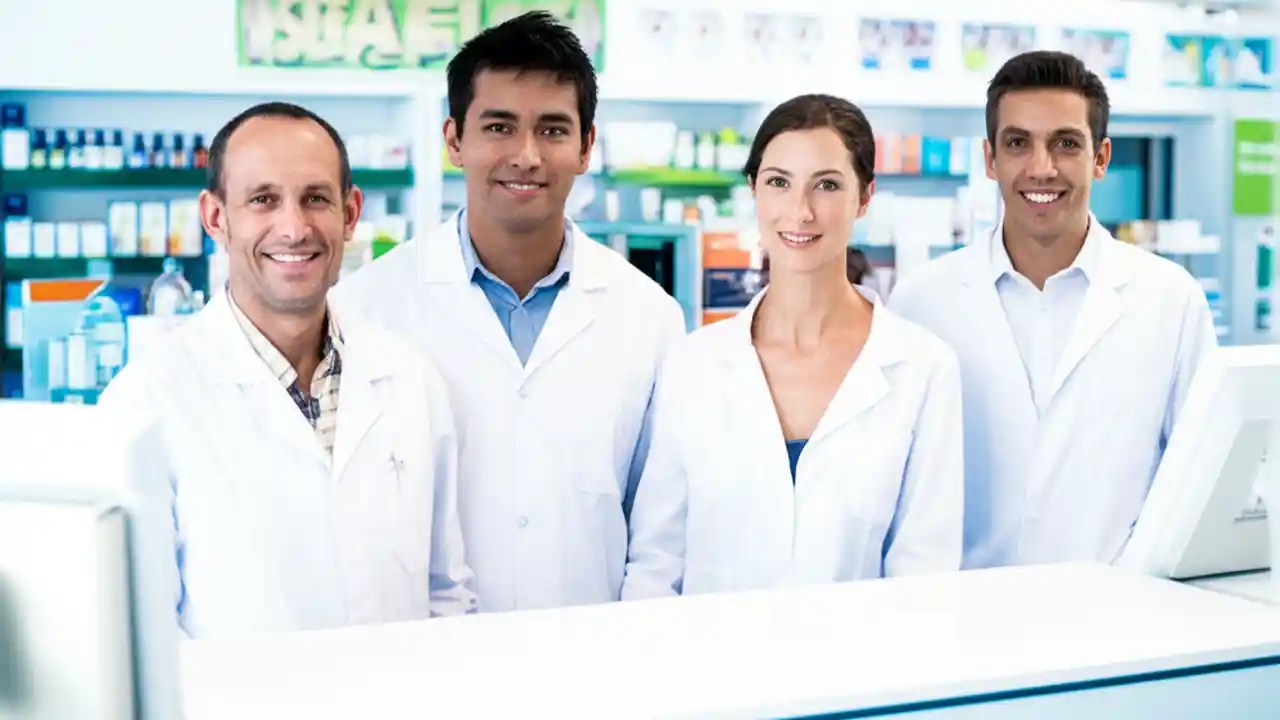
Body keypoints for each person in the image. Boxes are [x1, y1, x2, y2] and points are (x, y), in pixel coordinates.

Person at [329, 12, 686, 612]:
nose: (526, 155)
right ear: (454, 141)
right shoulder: (367, 307)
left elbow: (660, 530)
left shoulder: (649, 315)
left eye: (552, 129)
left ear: (585, 146)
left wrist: (636, 648)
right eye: (498, 126)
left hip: (596, 661)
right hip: (427, 661)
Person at [98, 102, 477, 639]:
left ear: (349, 214)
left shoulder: (410, 378)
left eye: (315, 198)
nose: (294, 228)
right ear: (215, 218)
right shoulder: (146, 401)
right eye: (263, 200)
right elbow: (143, 632)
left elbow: (446, 592)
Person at [621, 94, 964, 599]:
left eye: (826, 185)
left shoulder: (924, 368)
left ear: (864, 198)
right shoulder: (693, 364)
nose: (800, 212)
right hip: (708, 668)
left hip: (865, 671)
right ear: (754, 192)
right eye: (778, 182)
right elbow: (656, 563)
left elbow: (925, 578)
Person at [888, 51, 1218, 570]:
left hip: (1124, 619)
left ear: (1101, 157)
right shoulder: (921, 302)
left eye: (1066, 144)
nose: (1042, 168)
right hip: (962, 620)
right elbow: (893, 488)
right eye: (1018, 143)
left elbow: (1202, 480)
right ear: (990, 159)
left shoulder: (1170, 300)